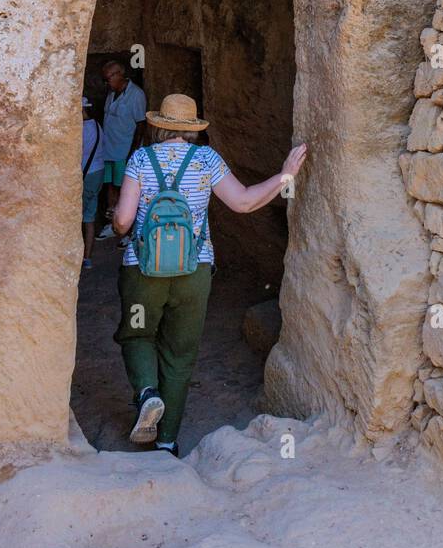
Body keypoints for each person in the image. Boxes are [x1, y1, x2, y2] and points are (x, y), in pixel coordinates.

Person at [112, 92, 307, 454]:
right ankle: (167, 441)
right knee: (180, 353)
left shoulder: (140, 159)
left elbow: (123, 221)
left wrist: (118, 224)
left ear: (158, 125)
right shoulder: (206, 160)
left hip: (142, 271)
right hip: (193, 271)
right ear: (192, 129)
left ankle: (147, 393)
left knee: (137, 334)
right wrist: (285, 176)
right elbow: (244, 202)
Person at [97, 60, 147, 240]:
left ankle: (129, 231)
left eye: (107, 78)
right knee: (110, 187)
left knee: (126, 190)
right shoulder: (112, 94)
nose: (105, 83)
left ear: (120, 74)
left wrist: (132, 153)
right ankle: (113, 225)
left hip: (124, 151)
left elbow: (141, 125)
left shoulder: (136, 95)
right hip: (108, 150)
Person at [80, 96, 105, 270]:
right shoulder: (97, 125)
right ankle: (87, 258)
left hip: (85, 175)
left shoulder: (79, 130)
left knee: (75, 218)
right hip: (98, 172)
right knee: (89, 218)